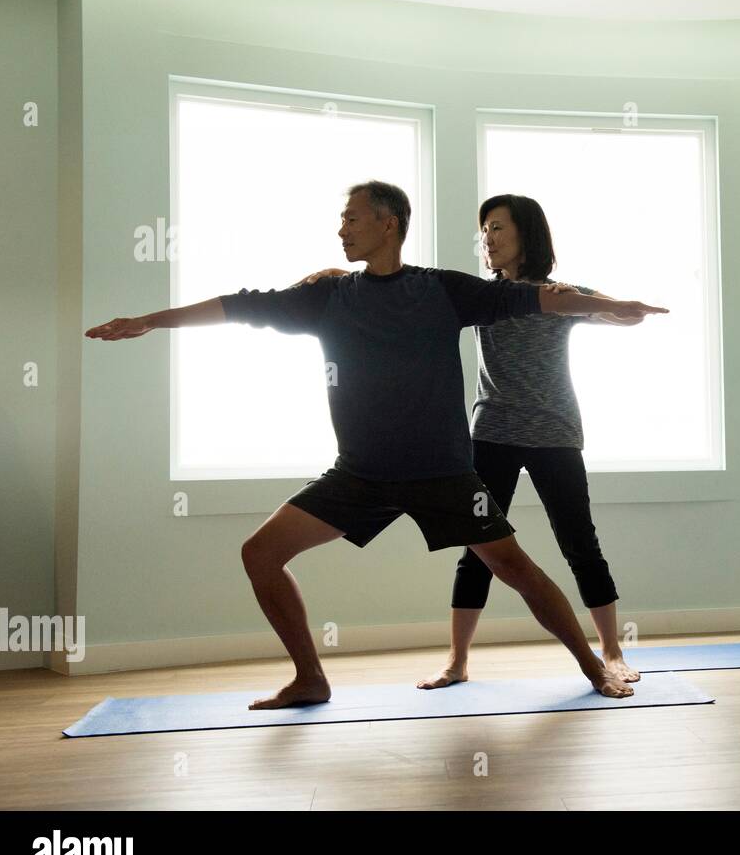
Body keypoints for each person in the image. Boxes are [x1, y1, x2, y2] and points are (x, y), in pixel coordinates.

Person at [84, 181, 668, 709]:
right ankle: (310, 677)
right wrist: (152, 320)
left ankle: (595, 666)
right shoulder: (327, 297)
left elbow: (535, 297)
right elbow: (241, 306)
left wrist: (611, 306)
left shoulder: (441, 290)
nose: (342, 229)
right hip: (359, 475)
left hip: (443, 474)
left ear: (388, 224)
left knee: (515, 567)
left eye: (352, 218)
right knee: (259, 553)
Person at [298, 194, 645, 690]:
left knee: (579, 542)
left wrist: (606, 303)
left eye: (498, 228)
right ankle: (457, 661)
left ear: (527, 233)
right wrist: (340, 274)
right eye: (484, 230)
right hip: (492, 436)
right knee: (478, 551)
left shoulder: (559, 294)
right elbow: (400, 283)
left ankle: (611, 651)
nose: (488, 238)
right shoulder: (478, 295)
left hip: (554, 434)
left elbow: (622, 316)